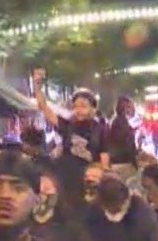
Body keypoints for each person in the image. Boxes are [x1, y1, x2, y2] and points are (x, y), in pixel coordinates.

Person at [32, 68, 110, 210]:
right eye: (76, 106)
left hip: (88, 181)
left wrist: (103, 175)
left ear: (93, 108)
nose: (79, 110)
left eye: (84, 106)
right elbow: (44, 108)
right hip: (65, 178)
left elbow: (104, 157)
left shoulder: (101, 129)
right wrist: (37, 86)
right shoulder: (67, 125)